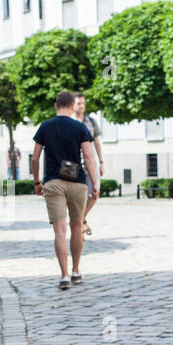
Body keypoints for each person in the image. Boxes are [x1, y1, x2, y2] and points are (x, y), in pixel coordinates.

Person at [32, 91, 98, 290]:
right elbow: (88, 157)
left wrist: (36, 182)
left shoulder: (45, 126)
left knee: (59, 230)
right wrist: (94, 182)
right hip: (78, 182)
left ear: (55, 105)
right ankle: (77, 271)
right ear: (72, 107)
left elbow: (35, 158)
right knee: (76, 227)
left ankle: (64, 276)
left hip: (53, 183)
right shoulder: (79, 127)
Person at [73, 92, 105, 235]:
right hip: (73, 165)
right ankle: (80, 226)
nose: (82, 106)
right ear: (72, 105)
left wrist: (102, 161)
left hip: (90, 164)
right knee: (79, 198)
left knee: (95, 194)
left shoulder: (91, 121)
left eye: (83, 103)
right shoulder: (69, 121)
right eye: (79, 103)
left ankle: (81, 221)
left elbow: (97, 144)